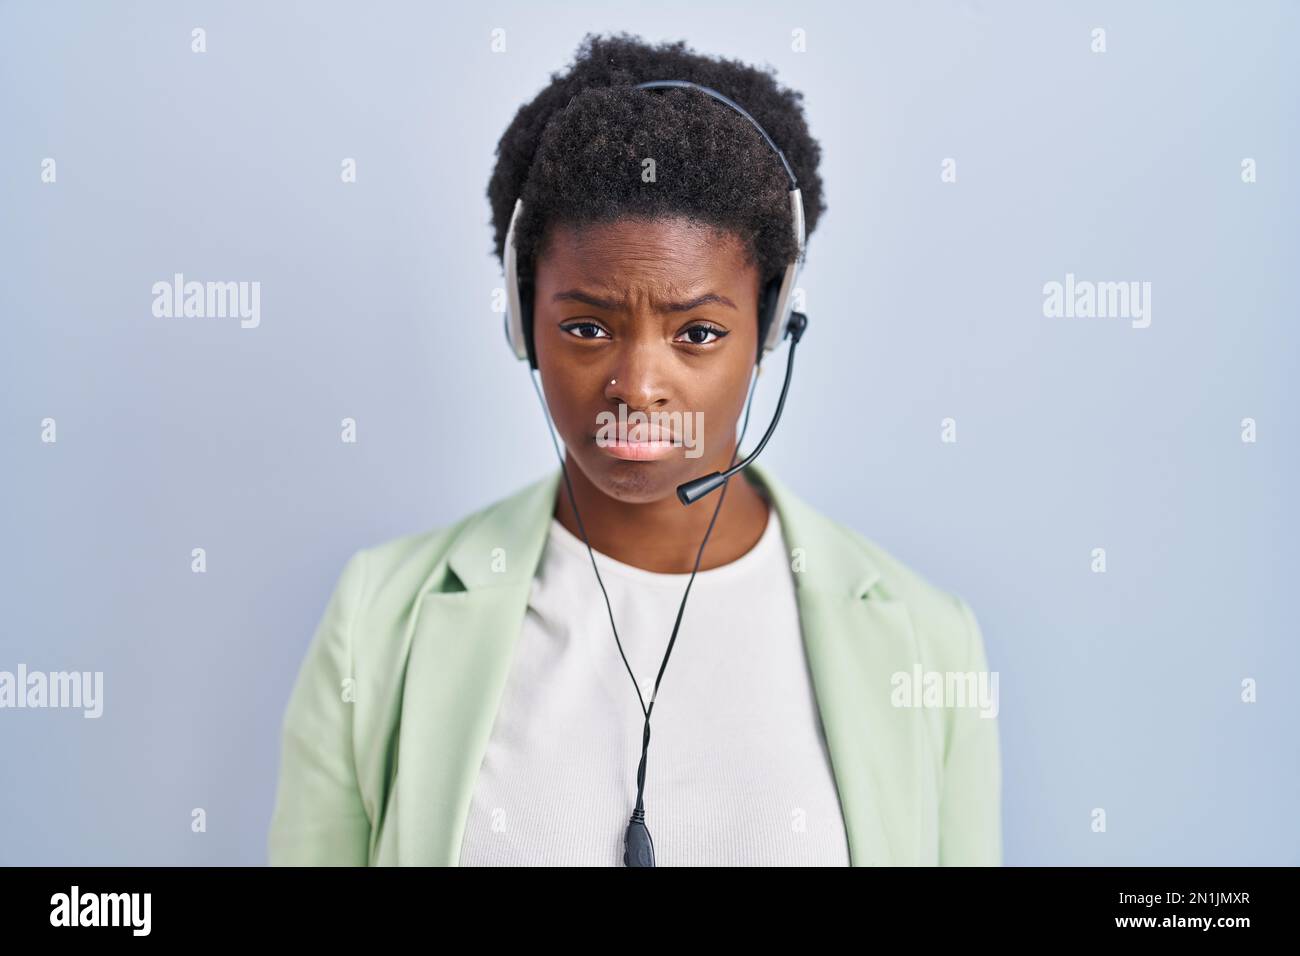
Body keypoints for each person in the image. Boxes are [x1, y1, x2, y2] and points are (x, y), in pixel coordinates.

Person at [268, 32, 1001, 867]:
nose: (637, 385)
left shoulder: (929, 643)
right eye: (586, 327)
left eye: (697, 332)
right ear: (522, 322)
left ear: (768, 331)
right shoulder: (377, 621)